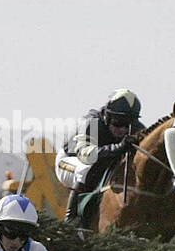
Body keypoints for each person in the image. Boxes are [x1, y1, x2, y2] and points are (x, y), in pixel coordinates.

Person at [56, 88, 150, 222]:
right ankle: (70, 220)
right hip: (69, 162)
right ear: (107, 115)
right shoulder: (91, 123)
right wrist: (118, 147)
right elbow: (86, 155)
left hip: (104, 165)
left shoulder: (137, 128)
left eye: (127, 124)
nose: (122, 129)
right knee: (84, 168)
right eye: (118, 123)